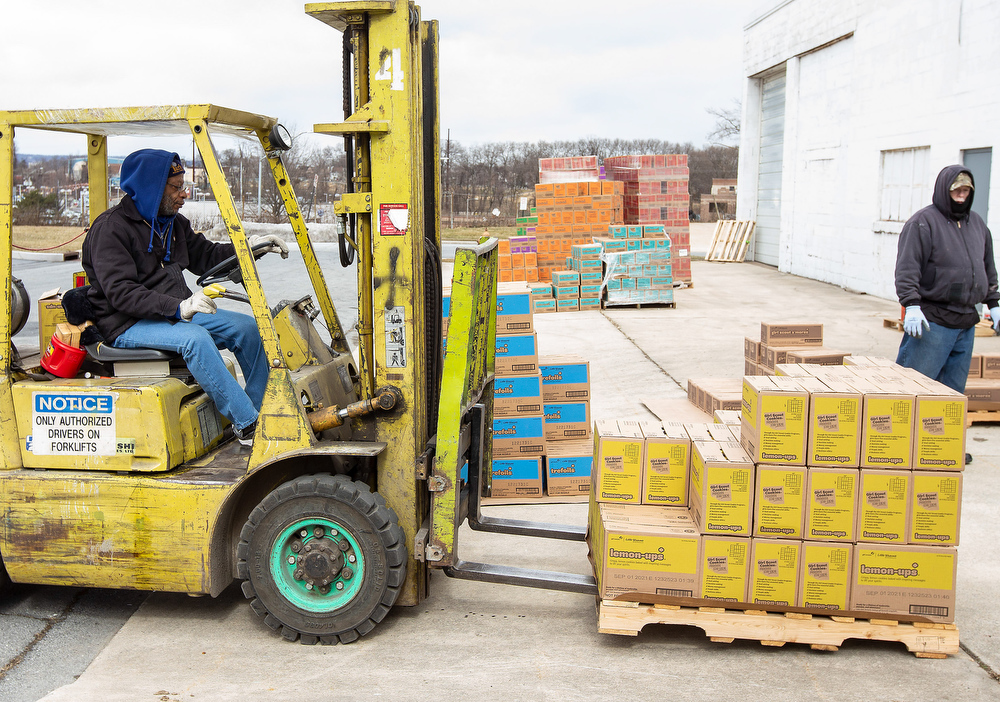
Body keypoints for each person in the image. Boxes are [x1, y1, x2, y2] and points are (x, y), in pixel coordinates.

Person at [81, 149, 288, 446]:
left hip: (170, 314)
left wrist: (249, 249)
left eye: (183, 186)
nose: (184, 194)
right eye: (176, 187)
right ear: (152, 188)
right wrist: (179, 307)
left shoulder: (172, 224)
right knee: (195, 339)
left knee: (247, 329)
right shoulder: (110, 230)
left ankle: (265, 410)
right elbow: (122, 293)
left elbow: (207, 255)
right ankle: (248, 425)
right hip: (126, 322)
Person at [895, 165, 999, 462]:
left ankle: (944, 448)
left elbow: (987, 267)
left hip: (966, 322)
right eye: (956, 191)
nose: (961, 195)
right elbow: (907, 268)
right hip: (933, 322)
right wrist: (911, 304)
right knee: (915, 387)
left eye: (966, 191)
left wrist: (994, 303)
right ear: (945, 190)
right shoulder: (923, 223)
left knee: (952, 392)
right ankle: (898, 448)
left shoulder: (977, 225)